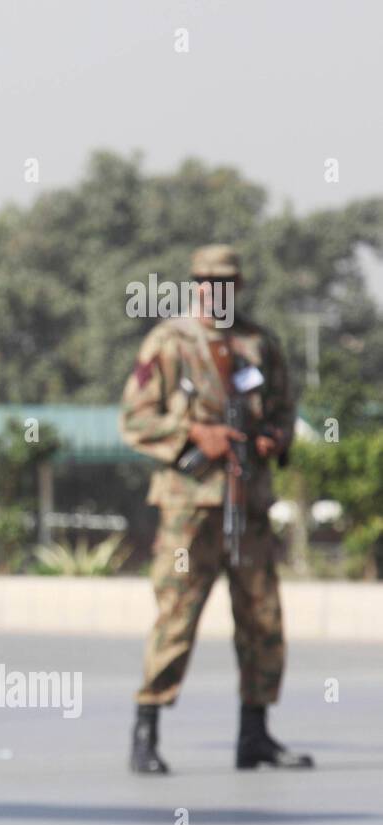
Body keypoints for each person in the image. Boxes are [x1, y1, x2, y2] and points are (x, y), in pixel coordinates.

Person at [118, 243, 313, 774]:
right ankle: (147, 731)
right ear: (194, 283)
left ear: (239, 286)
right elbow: (134, 420)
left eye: (225, 280)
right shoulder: (170, 341)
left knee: (262, 617)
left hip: (248, 502)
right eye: (205, 279)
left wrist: (273, 437)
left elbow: (284, 411)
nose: (214, 288)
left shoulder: (259, 344)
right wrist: (195, 433)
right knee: (176, 616)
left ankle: (255, 735)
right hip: (190, 505)